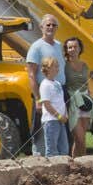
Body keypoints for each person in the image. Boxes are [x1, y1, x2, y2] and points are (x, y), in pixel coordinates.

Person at [25, 14, 65, 155]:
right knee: (43, 126)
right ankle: (40, 157)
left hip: (59, 91)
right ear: (41, 27)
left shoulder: (59, 46)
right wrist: (38, 99)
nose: (51, 27)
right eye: (48, 25)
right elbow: (31, 74)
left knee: (60, 126)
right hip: (45, 93)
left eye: (54, 25)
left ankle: (60, 157)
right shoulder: (36, 47)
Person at [62, 36, 93, 156]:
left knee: (82, 139)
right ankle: (83, 162)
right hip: (72, 102)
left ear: (80, 48)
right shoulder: (64, 66)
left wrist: (90, 96)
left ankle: (76, 165)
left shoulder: (85, 65)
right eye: (70, 47)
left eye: (75, 47)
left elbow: (86, 83)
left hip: (85, 101)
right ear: (66, 50)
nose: (72, 49)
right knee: (79, 138)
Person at [37, 55, 69, 156]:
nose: (58, 68)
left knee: (64, 149)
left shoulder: (57, 83)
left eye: (58, 66)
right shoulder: (45, 84)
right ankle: (51, 171)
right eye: (55, 66)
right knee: (52, 149)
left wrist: (65, 115)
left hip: (60, 120)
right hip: (51, 121)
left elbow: (61, 101)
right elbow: (47, 104)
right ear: (48, 68)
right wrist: (59, 116)